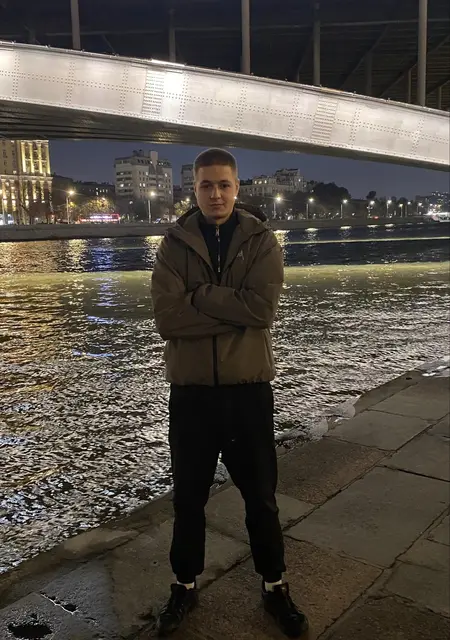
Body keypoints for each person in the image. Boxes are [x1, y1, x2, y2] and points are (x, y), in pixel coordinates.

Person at [151, 148, 309, 638]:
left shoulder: (262, 241)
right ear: (193, 189)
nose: (215, 194)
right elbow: (167, 319)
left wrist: (199, 296)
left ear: (238, 188)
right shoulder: (173, 245)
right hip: (191, 395)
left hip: (247, 392)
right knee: (188, 498)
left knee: (261, 497)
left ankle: (275, 585)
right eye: (206, 185)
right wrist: (232, 310)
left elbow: (262, 310)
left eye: (224, 185)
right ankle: (184, 585)